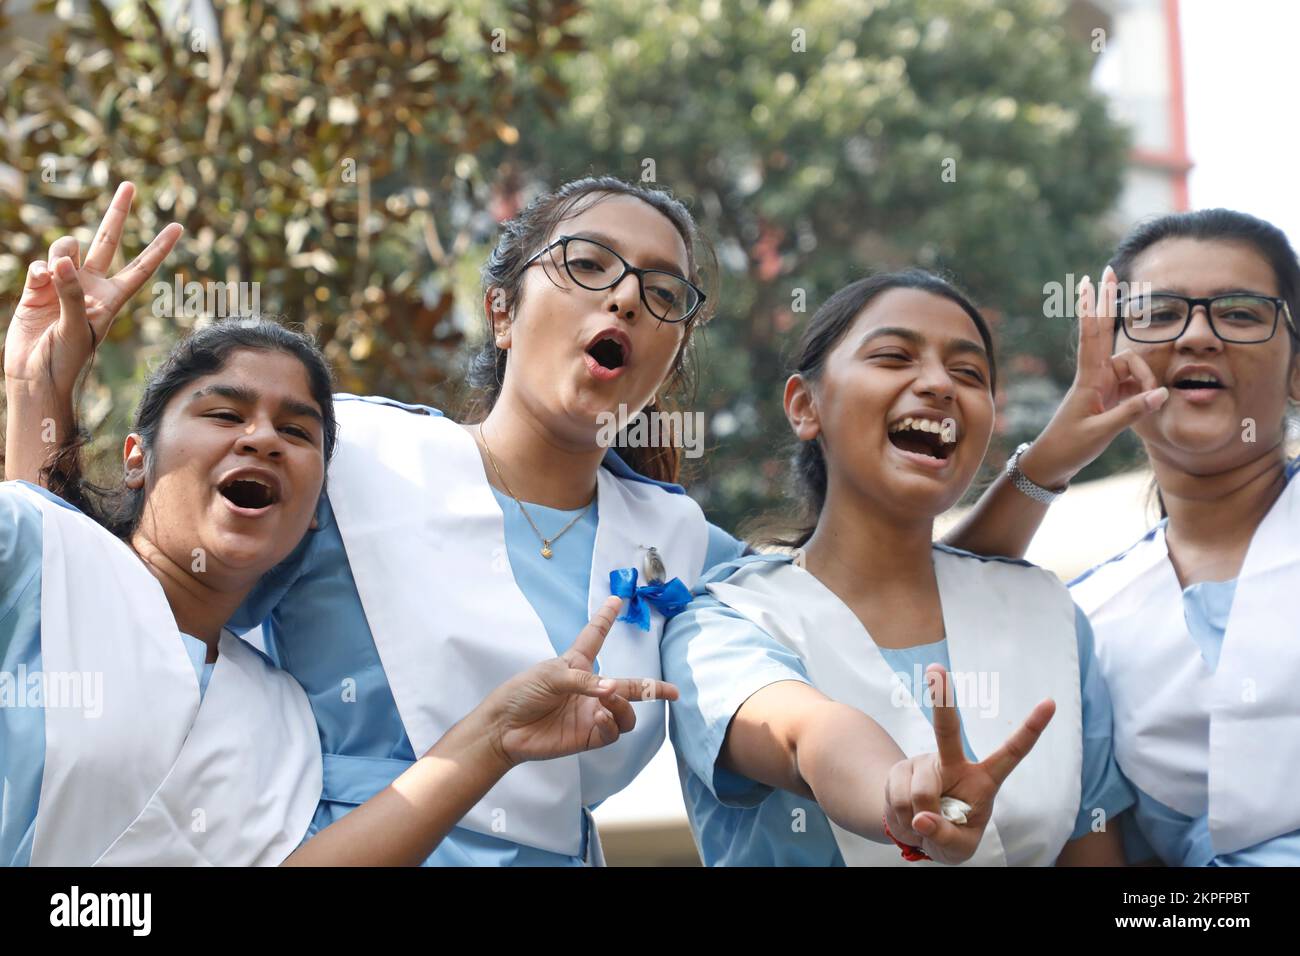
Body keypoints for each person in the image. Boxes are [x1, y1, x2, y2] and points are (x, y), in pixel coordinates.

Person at [1, 191, 675, 865]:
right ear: (137, 456)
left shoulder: (282, 722)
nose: (262, 439)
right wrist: (36, 387)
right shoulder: (39, 550)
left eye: (297, 431)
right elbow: (46, 569)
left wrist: (495, 736)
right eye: (225, 415)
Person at [662, 271, 1132, 865]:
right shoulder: (721, 624)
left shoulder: (1049, 614)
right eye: (892, 356)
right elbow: (804, 734)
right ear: (805, 406)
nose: (938, 384)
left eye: (969, 374)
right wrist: (897, 793)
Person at [950, 208, 1300, 865]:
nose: (1198, 336)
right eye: (1159, 314)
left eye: (1242, 313)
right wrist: (1052, 455)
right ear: (1109, 364)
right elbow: (939, 595)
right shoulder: (1083, 623)